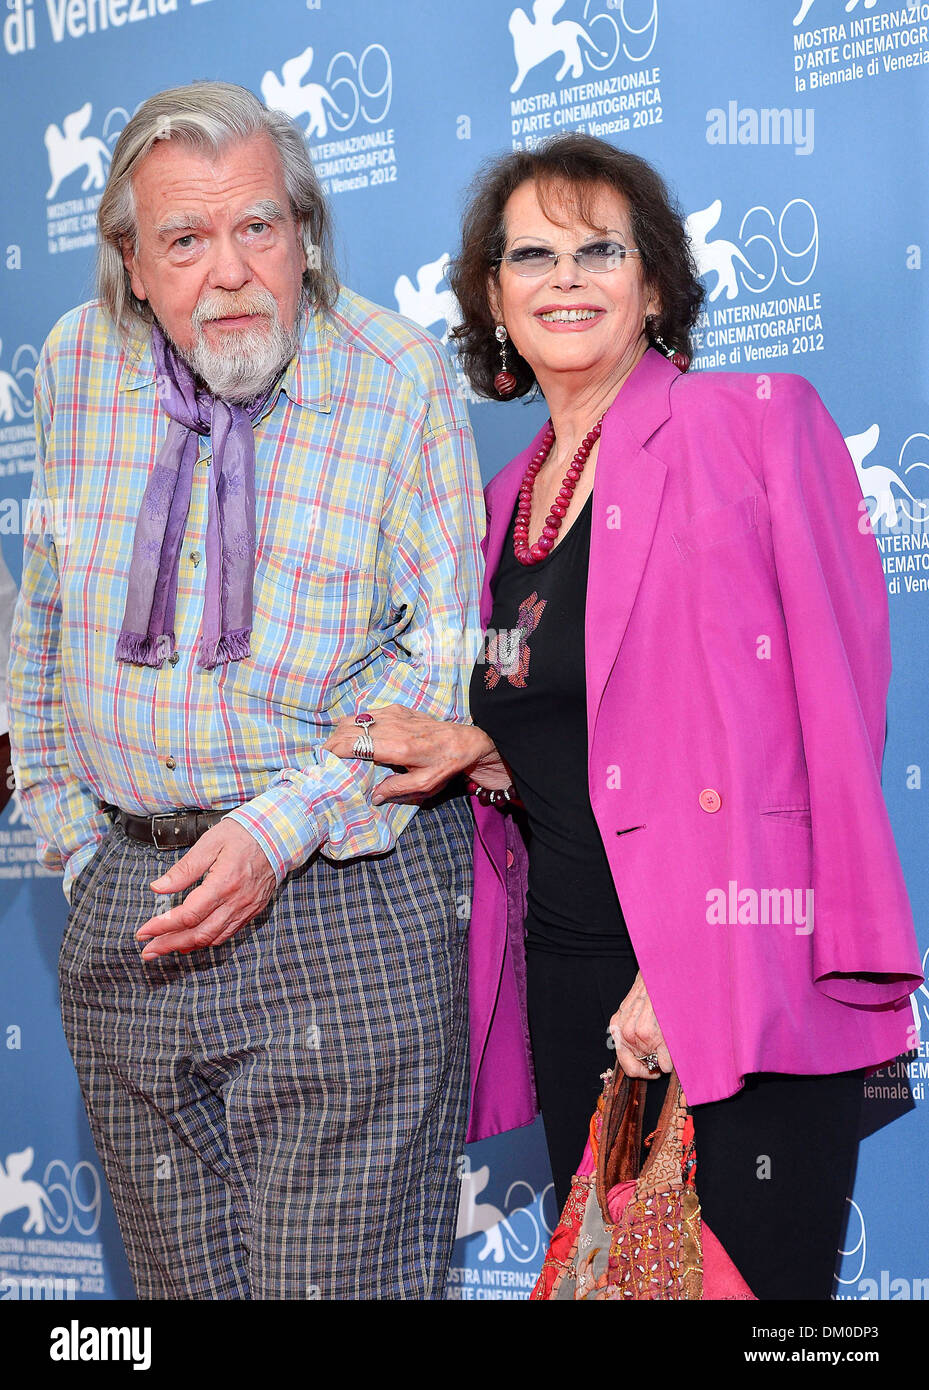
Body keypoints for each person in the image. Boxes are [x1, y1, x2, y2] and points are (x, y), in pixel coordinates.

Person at [326, 133, 923, 1300]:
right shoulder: (500, 504)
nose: (565, 276)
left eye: (599, 249)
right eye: (531, 254)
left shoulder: (750, 423)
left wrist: (690, 956)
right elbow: (594, 714)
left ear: (652, 281)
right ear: (491, 297)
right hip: (568, 977)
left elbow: (824, 720)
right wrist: (480, 749)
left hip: (737, 972)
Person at [8, 81, 484, 1301]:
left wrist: (270, 838)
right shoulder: (72, 366)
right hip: (132, 910)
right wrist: (75, 845)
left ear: (306, 233)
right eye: (185, 239)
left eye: (259, 227)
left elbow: (437, 664)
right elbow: (46, 607)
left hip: (342, 897)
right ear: (129, 260)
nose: (229, 274)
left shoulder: (397, 378)